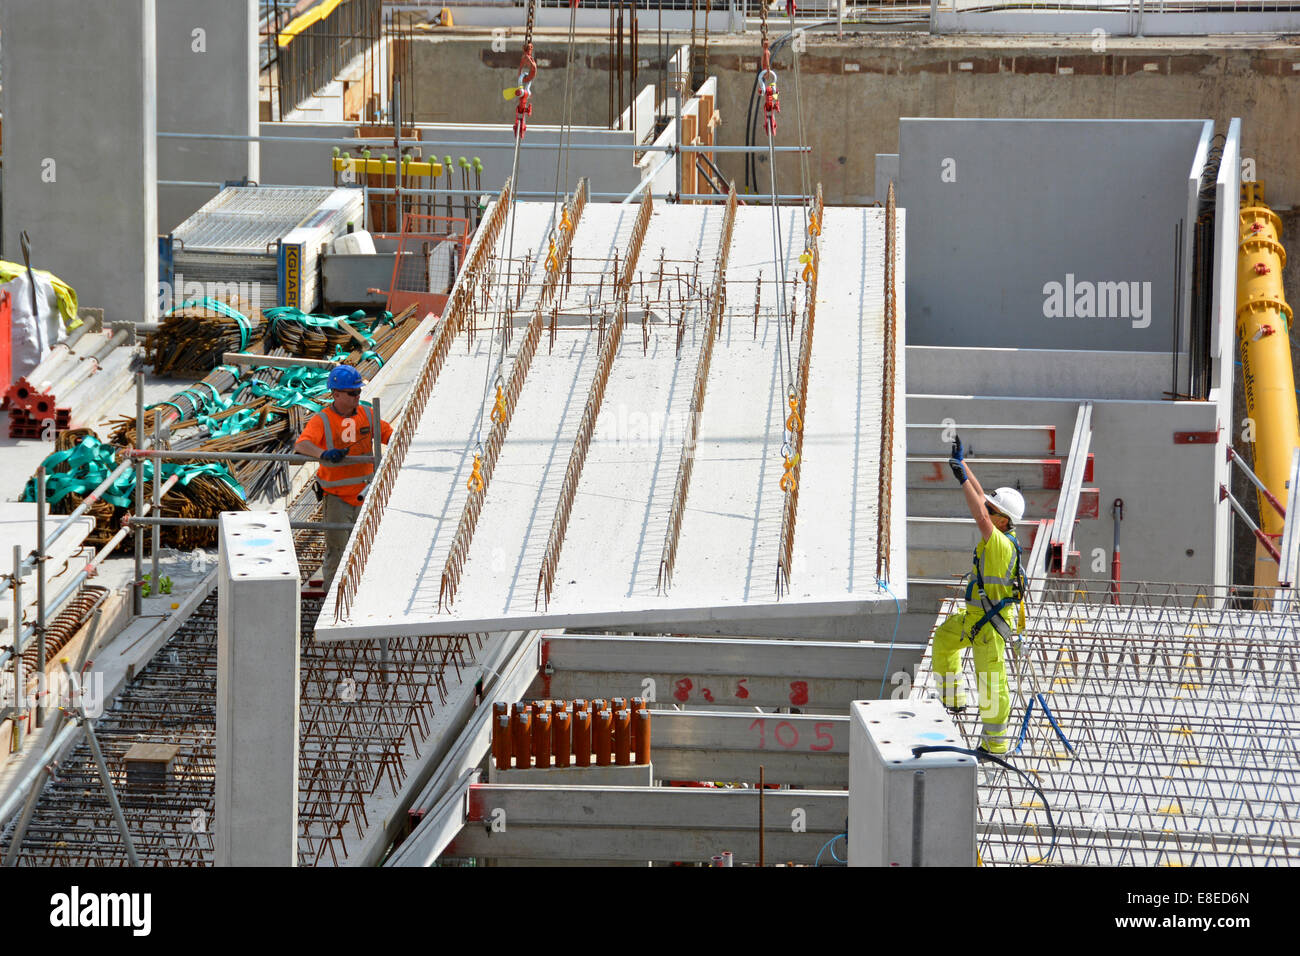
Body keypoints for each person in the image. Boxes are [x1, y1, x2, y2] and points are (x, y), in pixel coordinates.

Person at [931, 433, 1026, 756]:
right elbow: (985, 500)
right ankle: (953, 699)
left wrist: (960, 482)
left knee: (991, 684)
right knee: (944, 639)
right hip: (976, 619)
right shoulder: (1001, 531)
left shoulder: (999, 543)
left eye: (993, 509)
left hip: (990, 627)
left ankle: (995, 743)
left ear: (1003, 519)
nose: (987, 505)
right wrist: (964, 466)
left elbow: (980, 513)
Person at [294, 365, 392, 588]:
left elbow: (391, 435)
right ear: (336, 394)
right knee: (338, 550)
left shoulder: (367, 414)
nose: (358, 396)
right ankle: (333, 599)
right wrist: (323, 453)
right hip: (337, 499)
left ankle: (364, 591)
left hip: (366, 494)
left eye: (359, 392)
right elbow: (302, 444)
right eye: (352, 393)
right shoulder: (323, 420)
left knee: (368, 547)